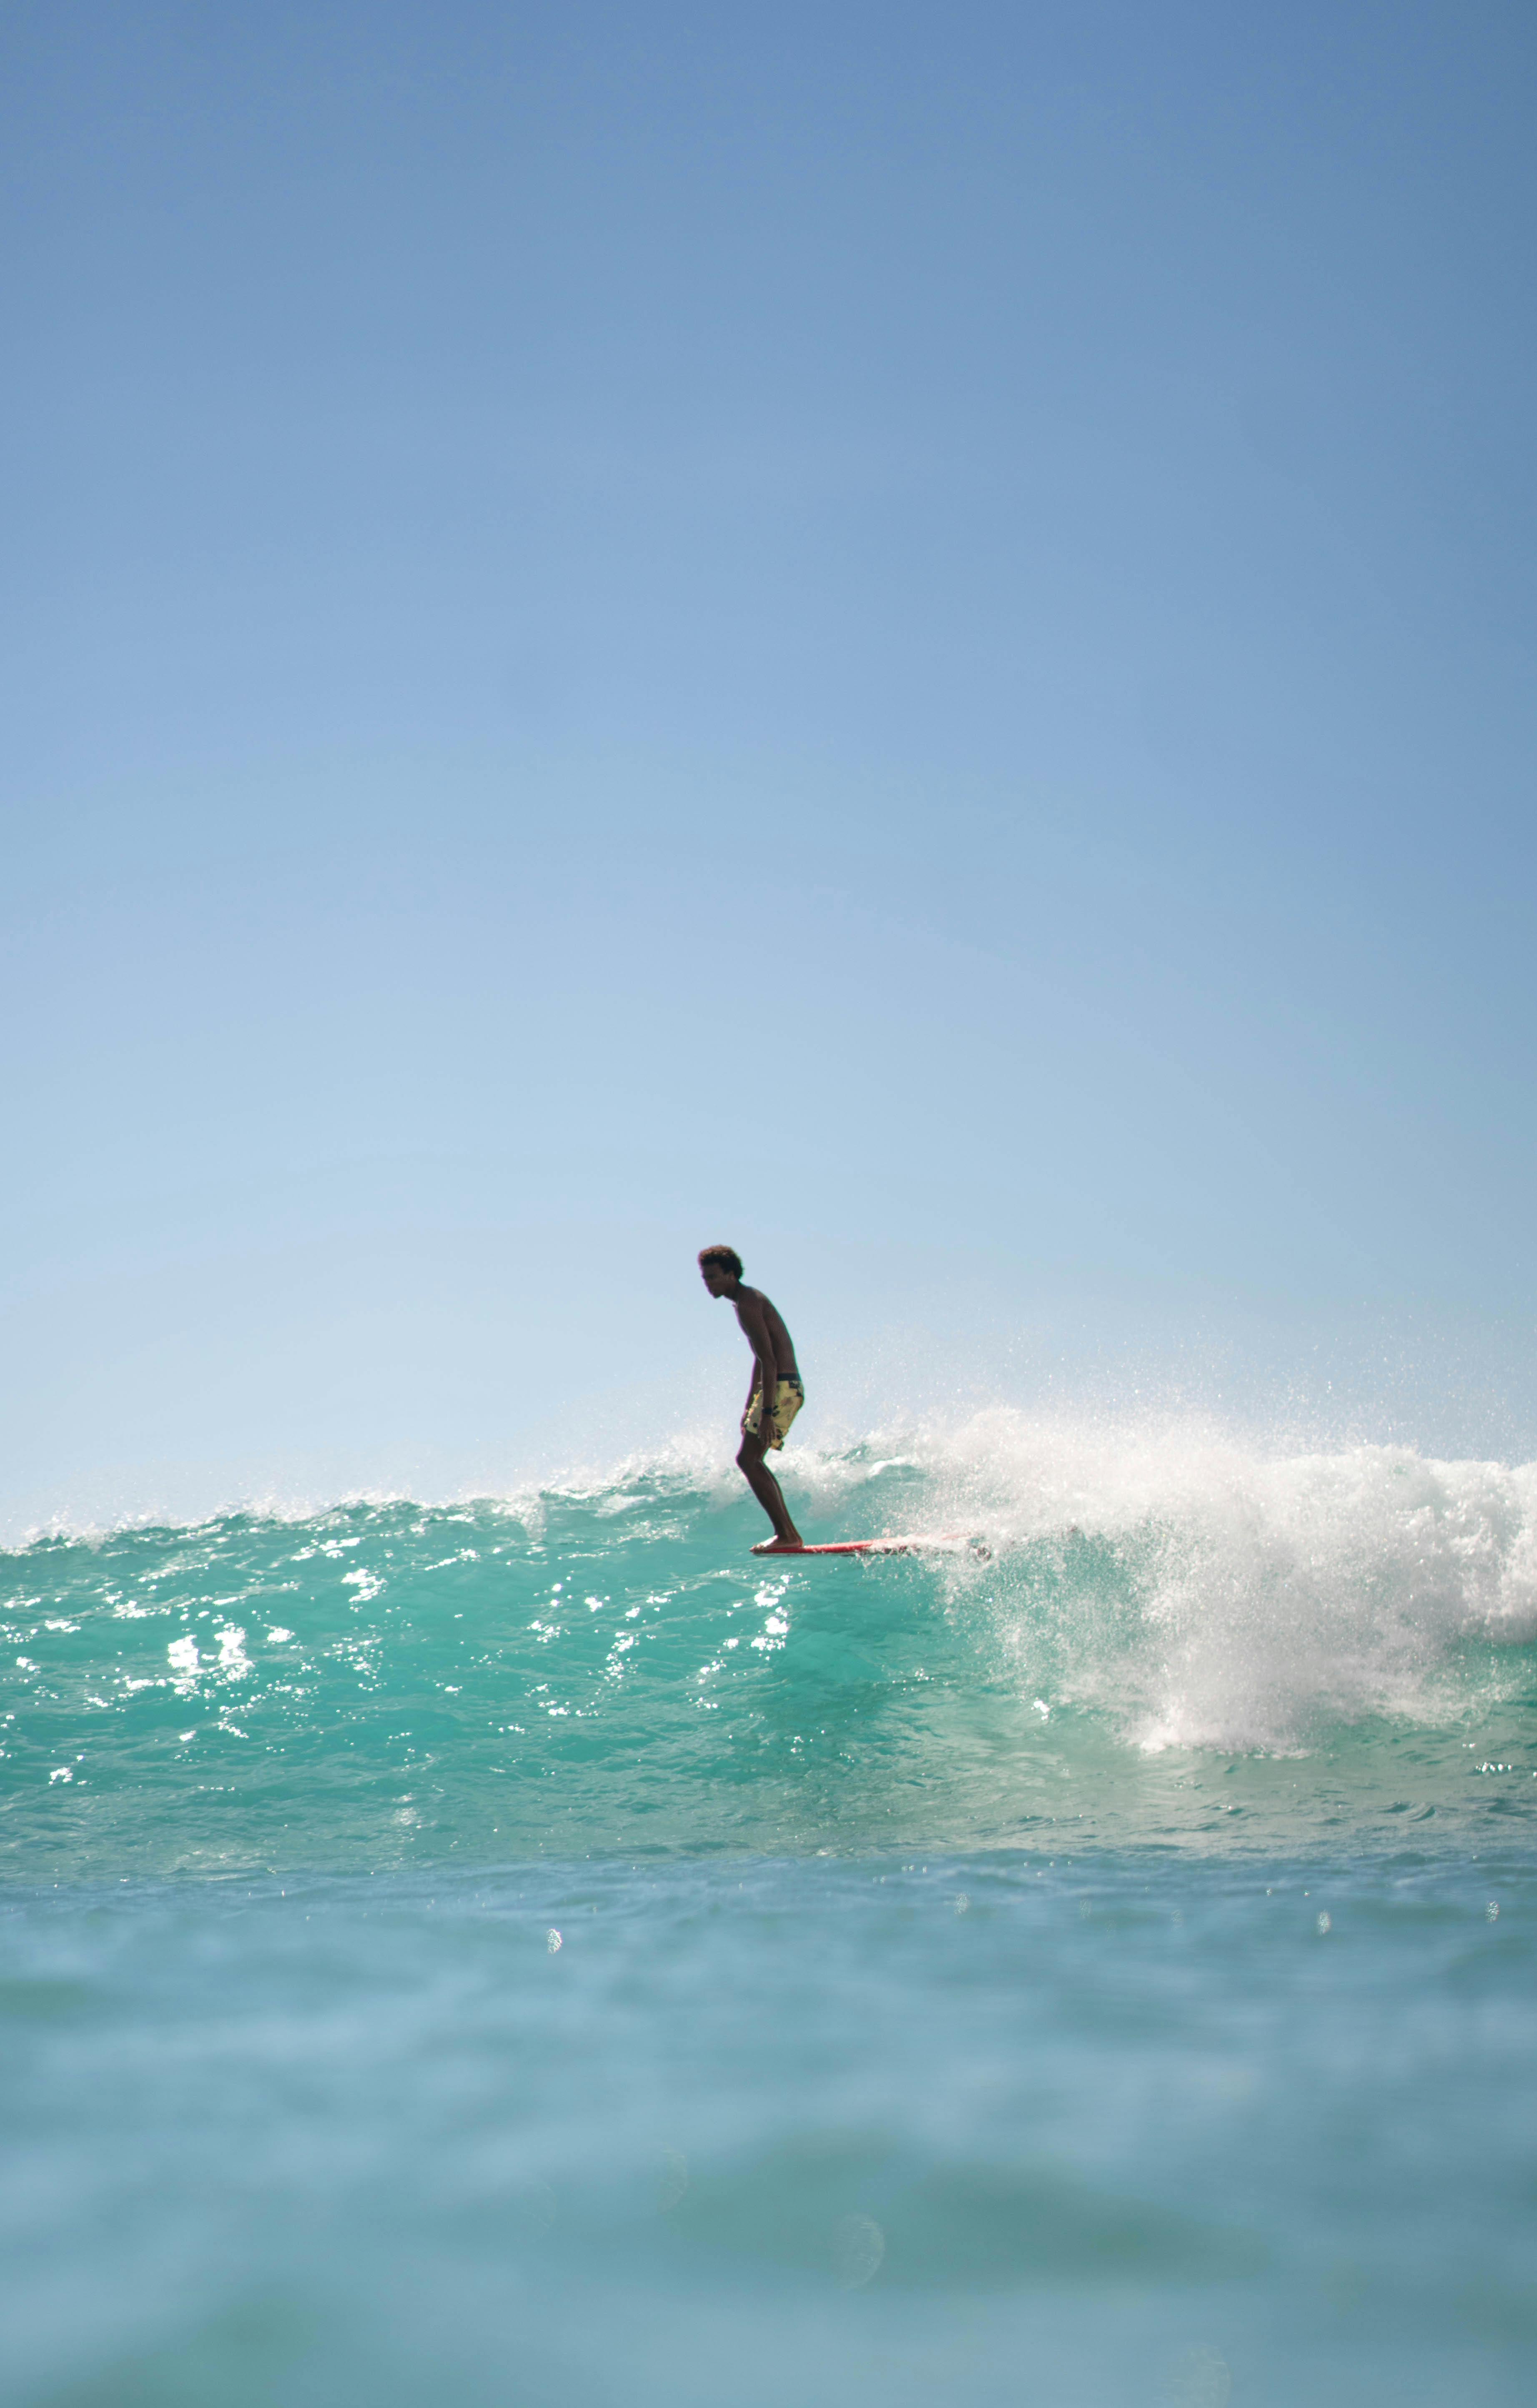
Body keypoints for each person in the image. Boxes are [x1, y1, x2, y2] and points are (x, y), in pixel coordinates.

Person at [698, 1245, 805, 1552]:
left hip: (783, 1388)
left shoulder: (747, 1303)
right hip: (782, 1386)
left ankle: (787, 1535)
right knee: (751, 1459)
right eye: (705, 1278)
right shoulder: (744, 1302)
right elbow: (760, 1359)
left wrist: (768, 1411)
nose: (709, 1284)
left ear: (732, 1275)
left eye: (714, 1277)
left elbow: (770, 1361)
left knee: (748, 1459)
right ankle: (787, 1533)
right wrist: (751, 1403)